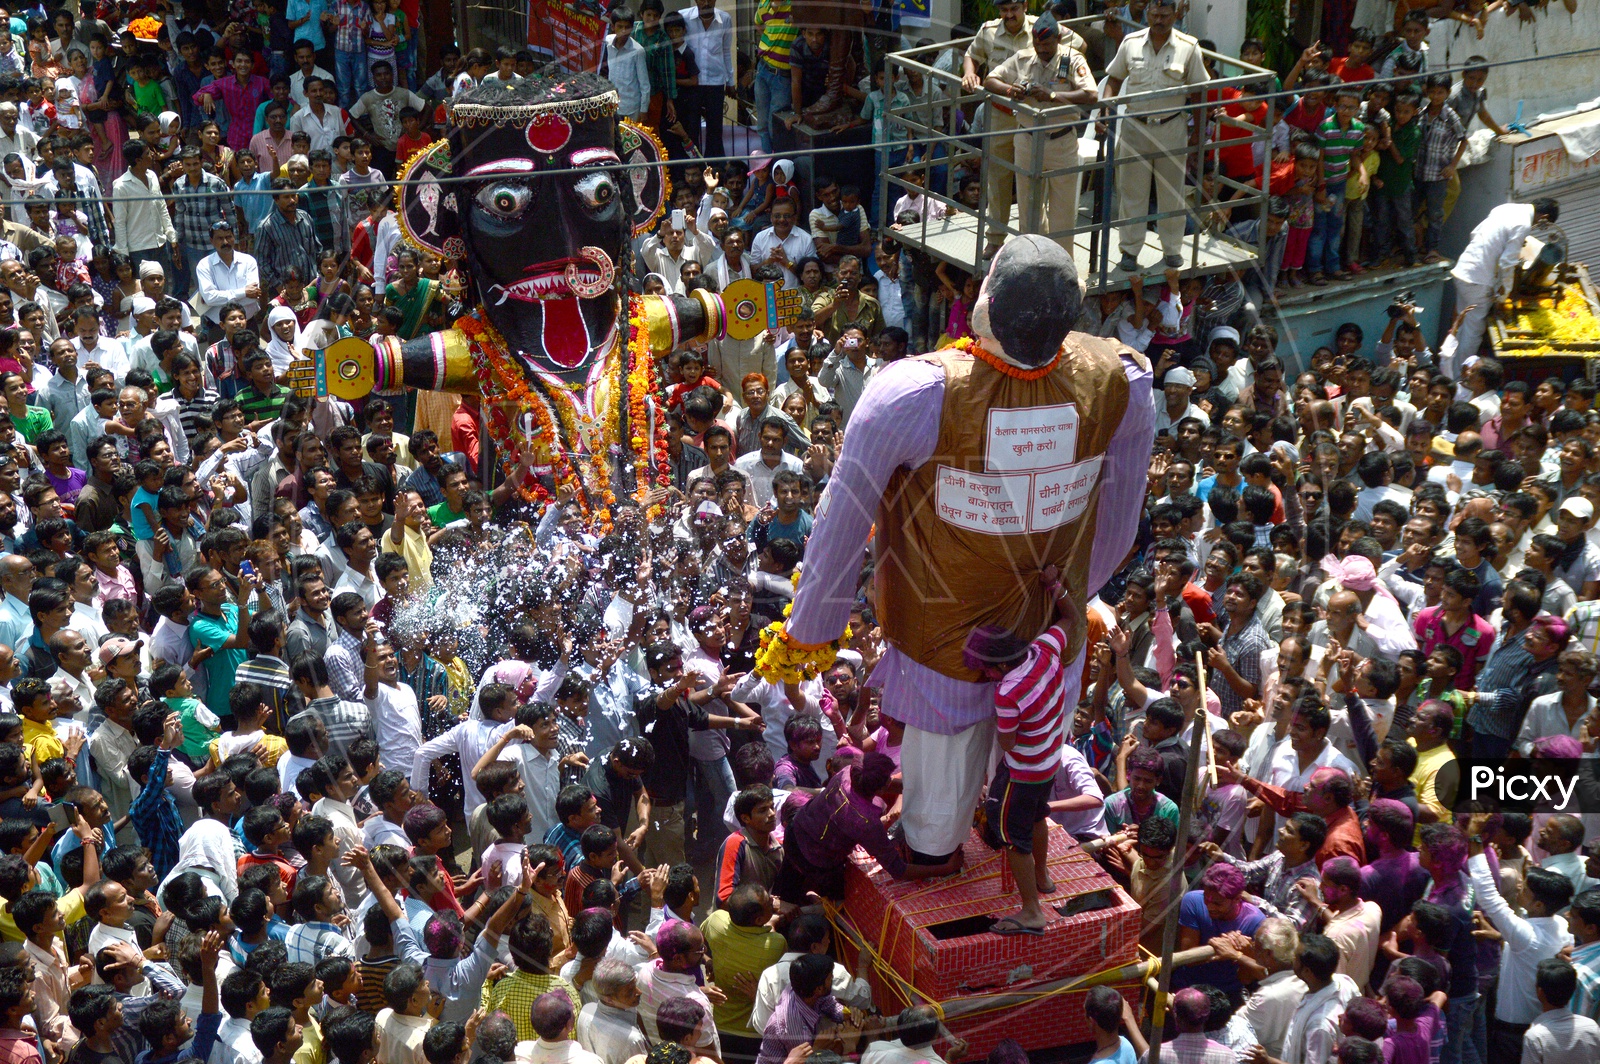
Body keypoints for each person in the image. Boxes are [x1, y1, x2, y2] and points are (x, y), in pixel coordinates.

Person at [1103, 0, 1208, 272]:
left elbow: (1199, 93)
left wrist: (1198, 133)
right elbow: (1114, 79)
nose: (1159, 19)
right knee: (1131, 193)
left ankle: (1172, 249)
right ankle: (1129, 250)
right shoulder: (1131, 42)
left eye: (1165, 14)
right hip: (1134, 127)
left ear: (1175, 15)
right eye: (1155, 13)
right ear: (1148, 13)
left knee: (1171, 193)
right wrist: (1106, 107)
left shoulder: (1189, 47)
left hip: (1172, 128)